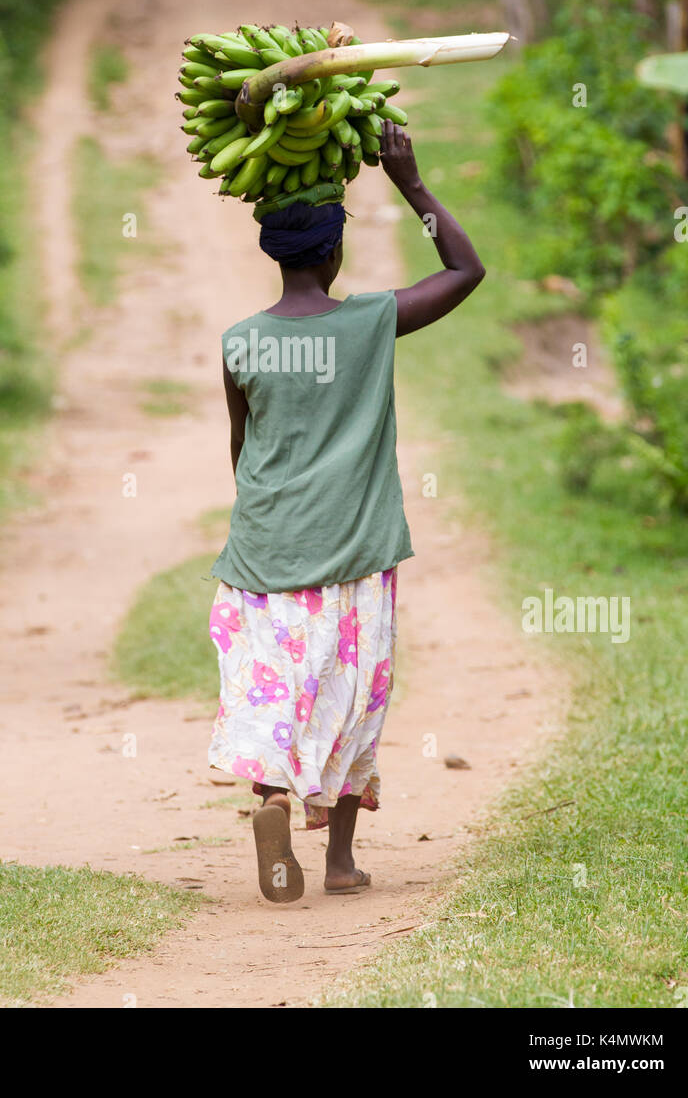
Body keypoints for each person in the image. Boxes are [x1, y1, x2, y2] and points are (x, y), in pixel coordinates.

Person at [208, 120, 485, 903]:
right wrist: (411, 183)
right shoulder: (368, 322)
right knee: (349, 695)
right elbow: (468, 269)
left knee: (271, 689)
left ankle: (269, 804)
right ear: (334, 253)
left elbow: (242, 447)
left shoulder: (241, 343)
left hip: (262, 553)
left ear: (273, 252)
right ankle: (337, 861)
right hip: (352, 550)